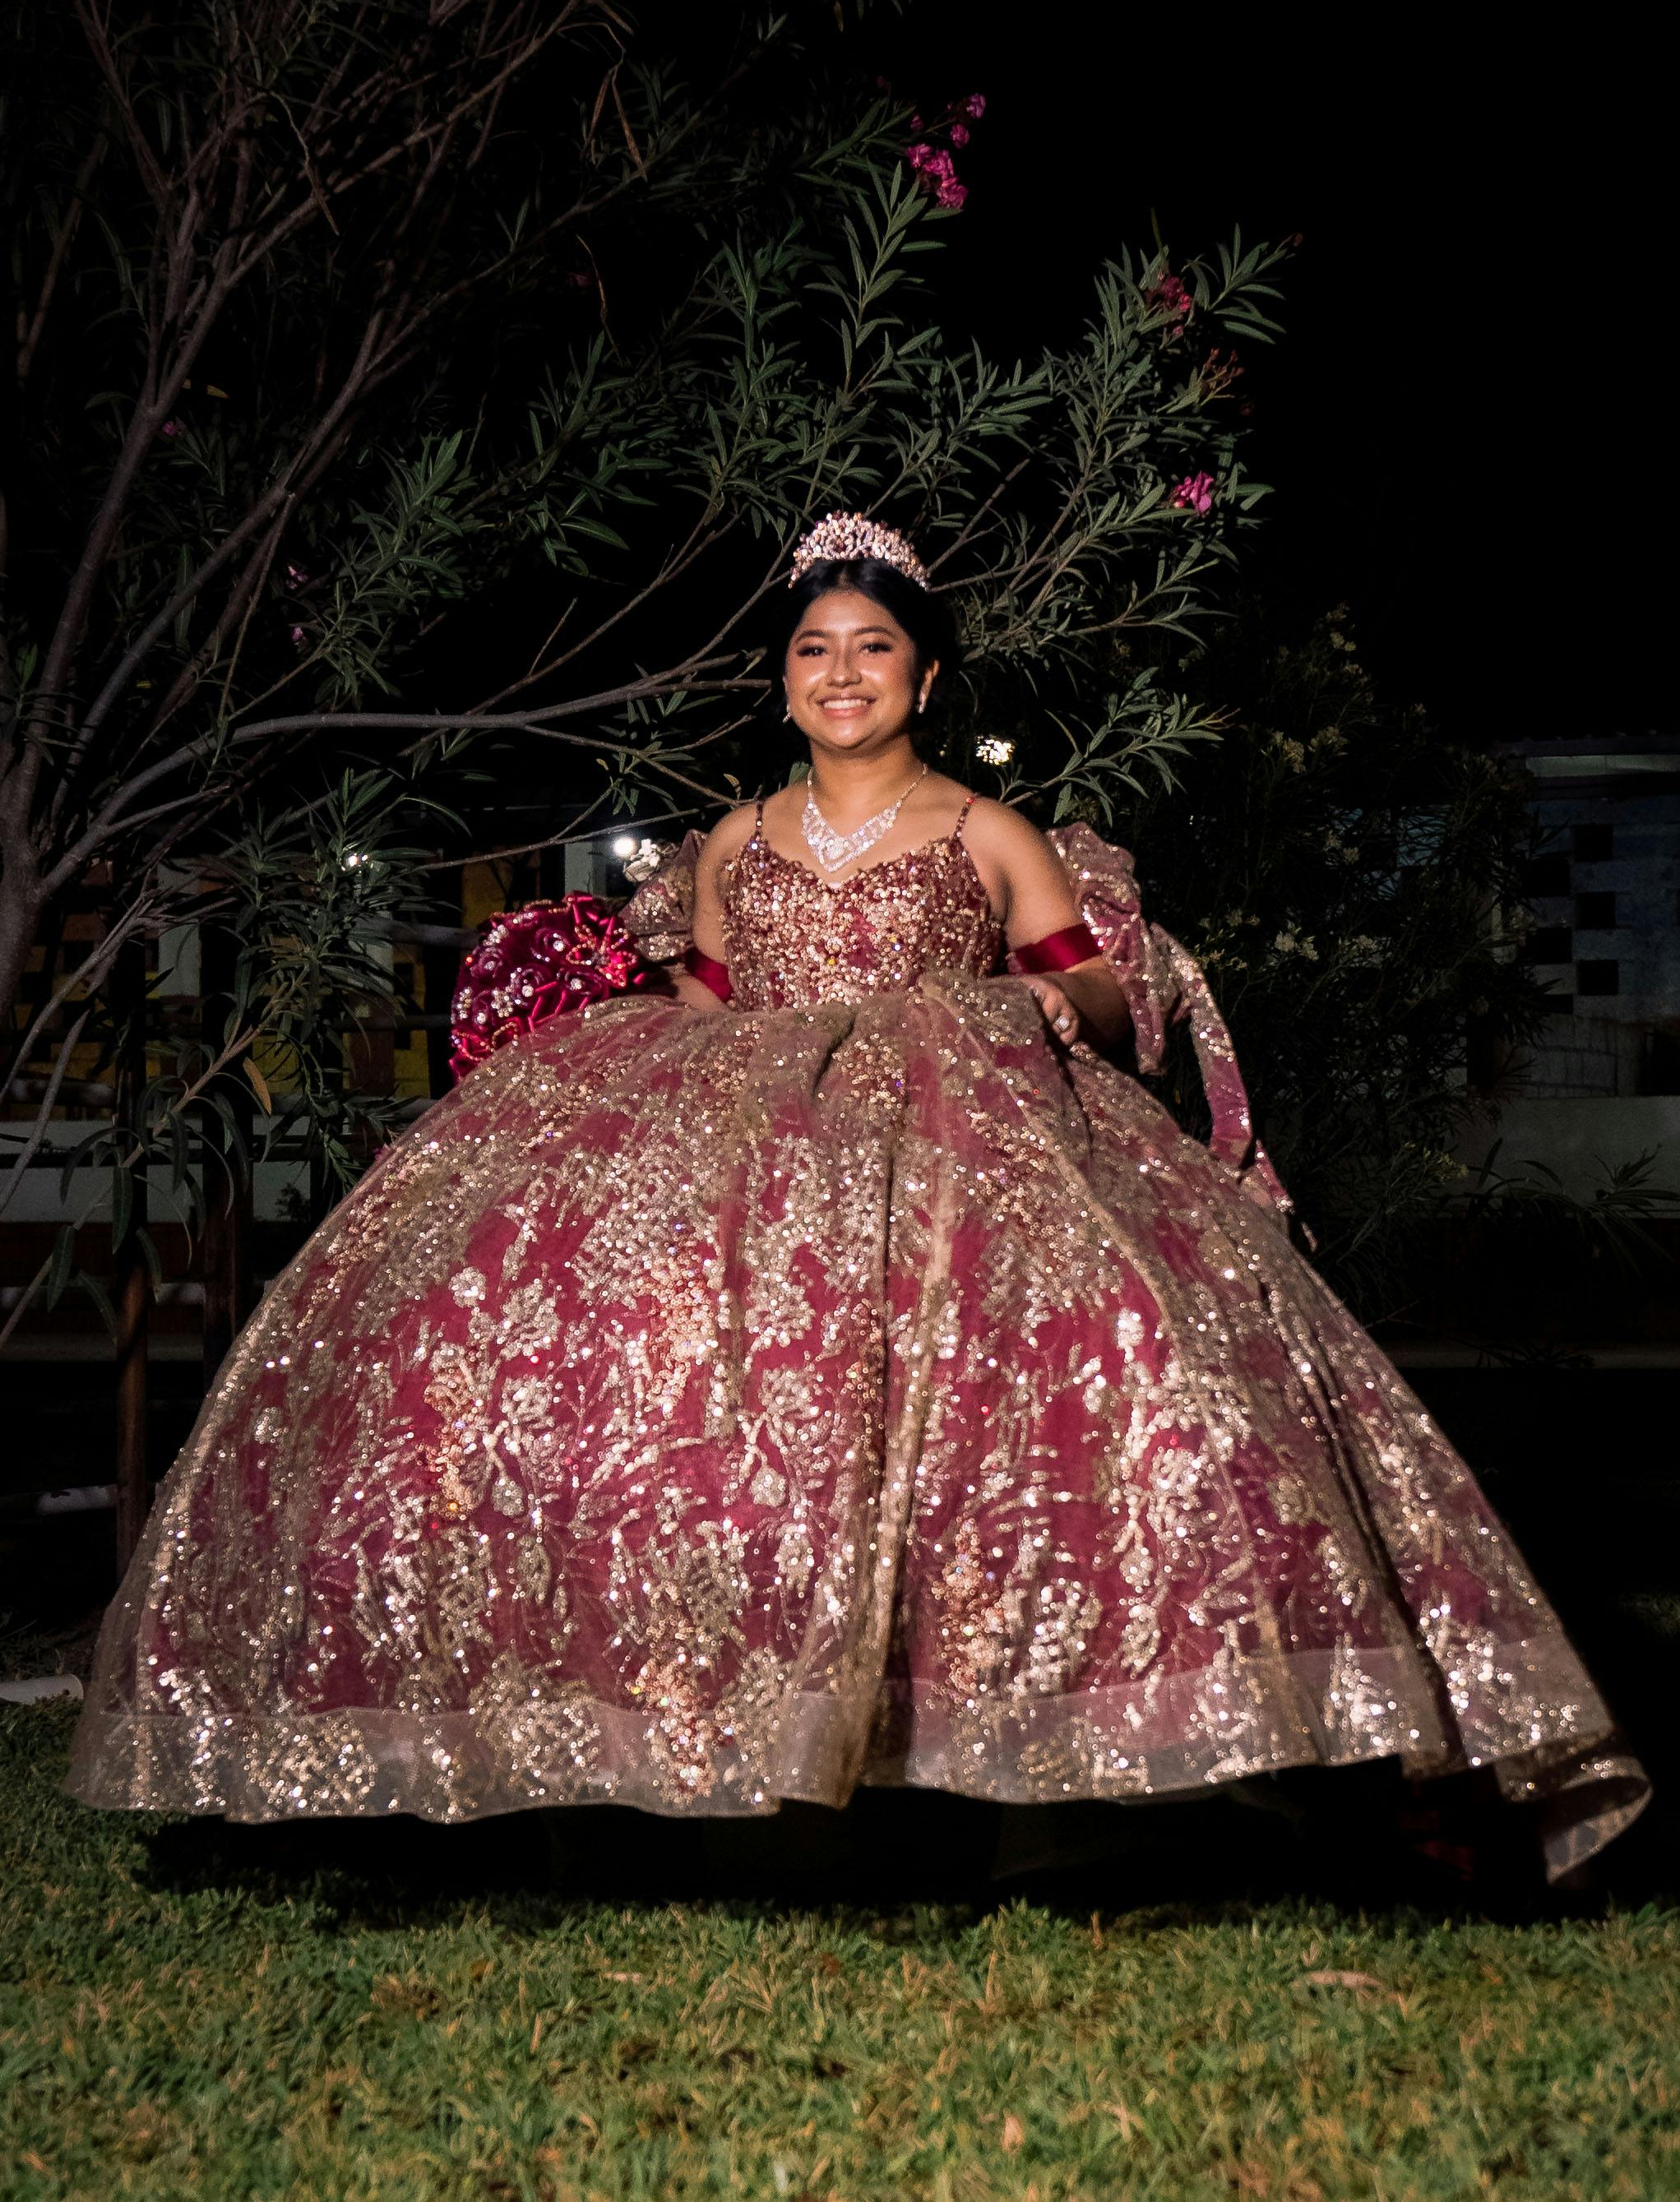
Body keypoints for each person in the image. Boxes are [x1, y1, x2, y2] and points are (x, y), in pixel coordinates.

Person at [69, 512, 1645, 1880]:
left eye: (873, 648)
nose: (841, 673)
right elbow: (699, 1015)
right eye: (813, 649)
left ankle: (1069, 1769)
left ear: (927, 676)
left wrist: (1019, 1012)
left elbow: (1099, 1007)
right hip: (762, 1163)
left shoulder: (985, 829)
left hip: (964, 1153)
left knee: (1058, 1408)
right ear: (785, 678)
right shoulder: (735, 841)